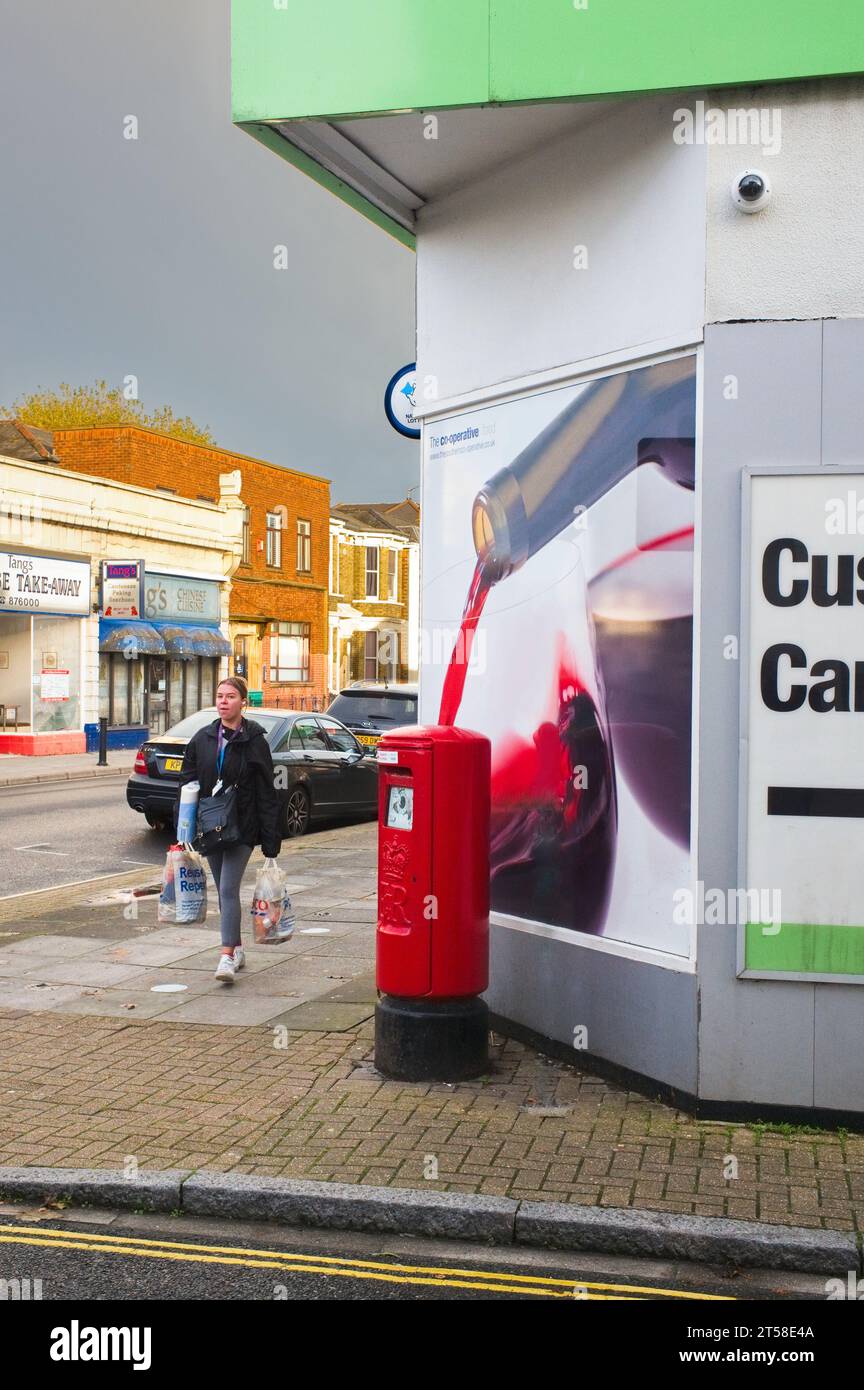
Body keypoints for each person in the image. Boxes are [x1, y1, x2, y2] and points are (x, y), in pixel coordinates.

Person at [179, 676, 282, 983]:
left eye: (230, 696)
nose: (223, 701)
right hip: (211, 826)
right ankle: (236, 948)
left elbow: (267, 792)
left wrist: (270, 840)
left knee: (227, 888)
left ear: (242, 702)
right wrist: (184, 827)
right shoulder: (203, 738)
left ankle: (226, 956)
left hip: (242, 827)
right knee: (225, 891)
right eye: (219, 696)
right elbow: (188, 782)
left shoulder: (255, 741)